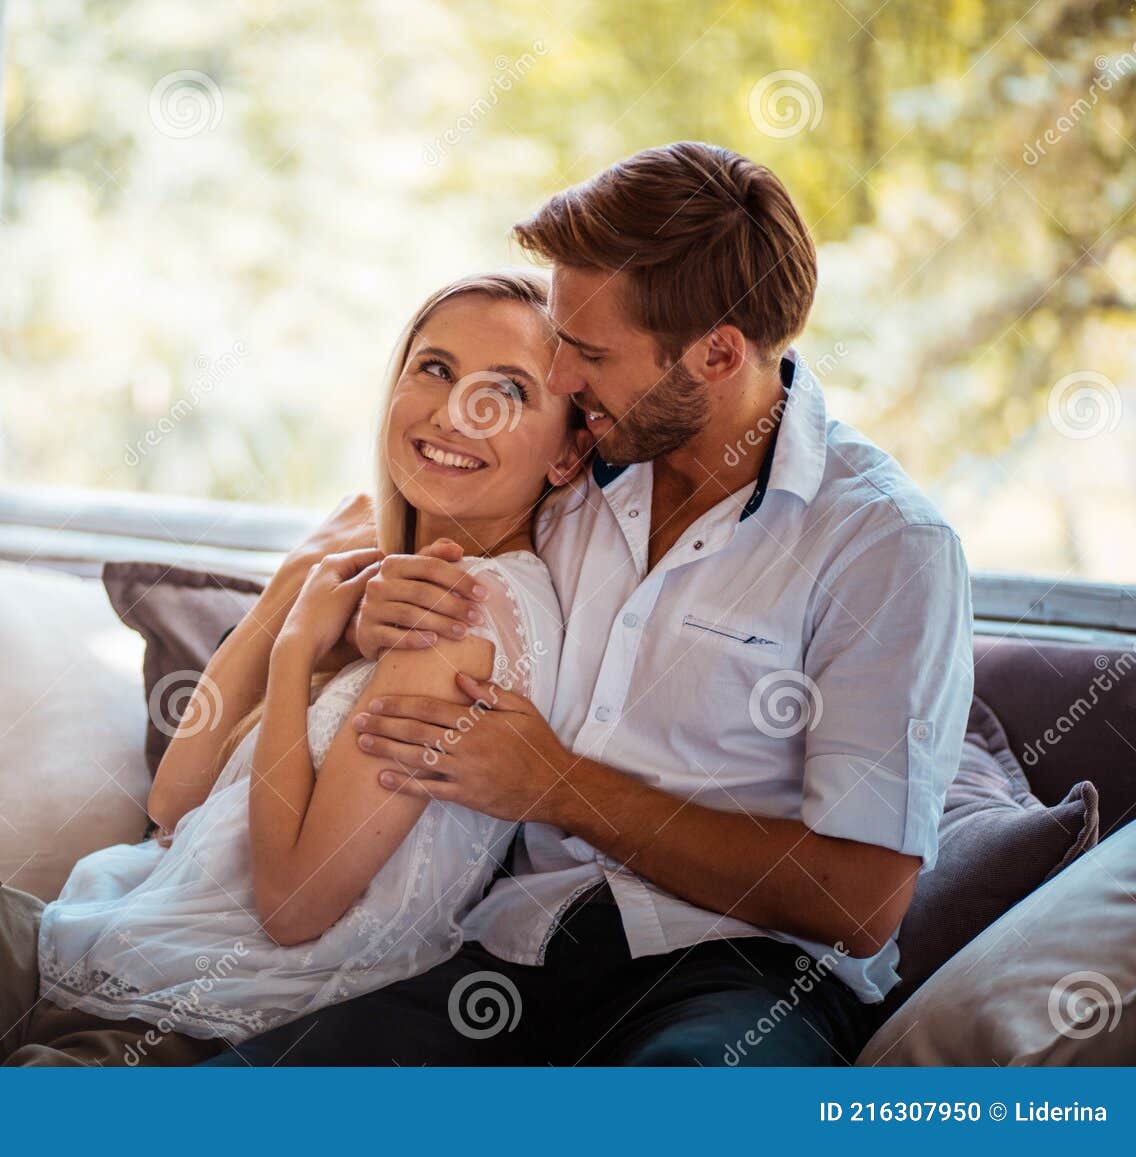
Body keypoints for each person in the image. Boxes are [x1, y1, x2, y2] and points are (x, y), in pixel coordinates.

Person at [0, 271, 588, 1066]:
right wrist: (287, 600)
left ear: (566, 447)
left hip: (189, 1026)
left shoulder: (458, 612)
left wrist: (295, 657)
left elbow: (297, 906)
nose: (454, 408)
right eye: (433, 365)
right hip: (85, 944)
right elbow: (175, 801)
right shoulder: (383, 578)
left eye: (507, 389)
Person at [205, 141, 975, 1067]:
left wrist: (559, 784)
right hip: (512, 949)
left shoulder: (884, 546)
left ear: (717, 354)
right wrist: (372, 613)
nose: (562, 377)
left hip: (737, 976)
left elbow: (858, 900)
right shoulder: (576, 474)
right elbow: (420, 514)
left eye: (589, 352)